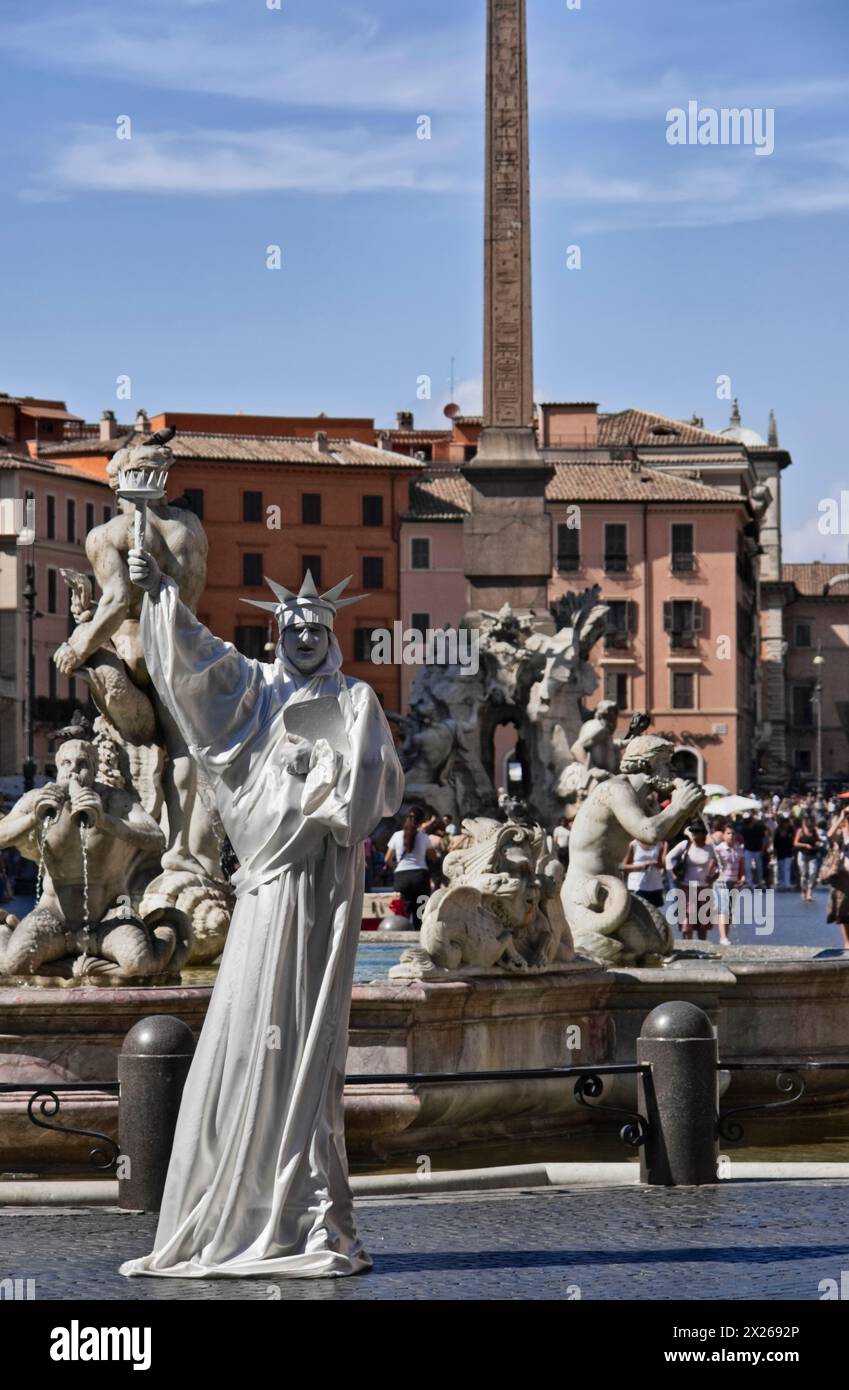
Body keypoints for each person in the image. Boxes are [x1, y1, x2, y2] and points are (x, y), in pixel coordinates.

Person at [119, 555, 403, 1281]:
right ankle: (233, 1203)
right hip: (267, 886)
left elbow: (372, 788)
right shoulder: (253, 691)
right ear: (276, 631)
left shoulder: (355, 701)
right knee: (248, 1034)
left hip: (323, 891)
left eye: (316, 625)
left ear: (333, 631)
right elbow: (199, 662)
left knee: (306, 1040)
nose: (305, 634)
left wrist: (321, 780)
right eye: (293, 625)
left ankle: (302, 1211)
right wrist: (160, 592)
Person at [666, 822, 719, 941]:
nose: (694, 834)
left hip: (704, 887)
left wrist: (714, 876)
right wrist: (673, 875)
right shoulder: (686, 845)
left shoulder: (709, 849)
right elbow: (668, 858)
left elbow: (721, 864)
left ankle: (702, 944)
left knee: (703, 920)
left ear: (703, 834)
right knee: (688, 917)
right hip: (687, 887)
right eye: (693, 831)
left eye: (697, 831)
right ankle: (688, 944)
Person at [385, 807, 435, 926]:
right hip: (420, 877)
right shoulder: (424, 837)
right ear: (421, 821)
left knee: (403, 914)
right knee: (420, 914)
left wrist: (395, 867)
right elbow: (433, 856)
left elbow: (387, 859)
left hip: (402, 877)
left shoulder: (397, 835)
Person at [712, 825, 746, 945]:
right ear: (723, 835)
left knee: (730, 911)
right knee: (723, 909)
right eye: (728, 833)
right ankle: (723, 937)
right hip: (721, 881)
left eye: (732, 833)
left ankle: (726, 935)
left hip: (734, 882)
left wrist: (742, 878)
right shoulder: (718, 850)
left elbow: (742, 867)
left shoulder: (739, 850)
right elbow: (712, 867)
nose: (731, 836)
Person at [826, 808, 849, 949]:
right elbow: (829, 835)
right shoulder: (841, 830)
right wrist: (841, 817)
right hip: (843, 874)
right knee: (843, 909)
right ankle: (847, 943)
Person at [621, 838, 666, 907]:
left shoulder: (659, 844)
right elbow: (624, 866)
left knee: (655, 913)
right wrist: (641, 866)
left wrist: (655, 863)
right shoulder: (634, 844)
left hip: (655, 885)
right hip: (637, 885)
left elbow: (662, 865)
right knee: (639, 910)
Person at [794, 815, 821, 904]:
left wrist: (817, 843)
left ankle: (809, 892)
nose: (810, 828)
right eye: (808, 827)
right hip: (803, 855)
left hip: (813, 855)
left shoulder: (814, 831)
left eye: (811, 827)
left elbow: (818, 840)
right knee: (804, 874)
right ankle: (803, 890)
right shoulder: (801, 831)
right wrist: (805, 845)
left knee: (812, 873)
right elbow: (795, 843)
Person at [740, 813, 767, 887]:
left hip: (758, 849)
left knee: (759, 867)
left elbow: (764, 838)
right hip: (748, 849)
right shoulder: (744, 828)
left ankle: (760, 882)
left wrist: (763, 849)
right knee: (748, 867)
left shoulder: (759, 827)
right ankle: (749, 883)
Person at [772, 816, 796, 890]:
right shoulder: (777, 830)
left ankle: (787, 883)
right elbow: (775, 842)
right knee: (781, 867)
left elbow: (793, 840)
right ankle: (781, 882)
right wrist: (775, 851)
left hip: (788, 851)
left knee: (787, 867)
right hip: (780, 851)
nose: (786, 824)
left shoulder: (791, 829)